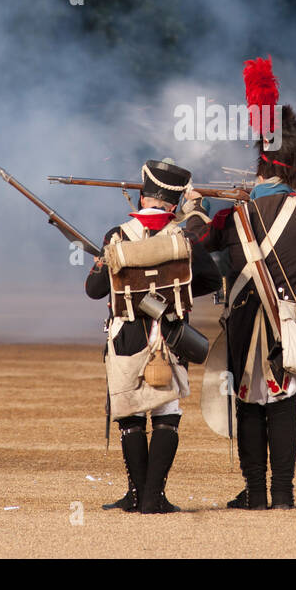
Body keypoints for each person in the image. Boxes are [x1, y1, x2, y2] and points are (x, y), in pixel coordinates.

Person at [195, 80, 296, 510]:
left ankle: (255, 493)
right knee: (284, 402)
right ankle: (284, 494)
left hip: (248, 322)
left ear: (261, 164)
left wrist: (193, 205)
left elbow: (201, 243)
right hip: (290, 324)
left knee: (249, 404)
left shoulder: (235, 215)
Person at [85, 160, 220, 513]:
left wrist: (107, 266)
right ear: (173, 204)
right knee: (166, 413)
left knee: (130, 416)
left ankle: (136, 495)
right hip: (169, 335)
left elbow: (93, 289)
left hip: (126, 334)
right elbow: (211, 280)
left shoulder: (116, 235)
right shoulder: (183, 237)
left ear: (143, 197)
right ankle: (153, 497)